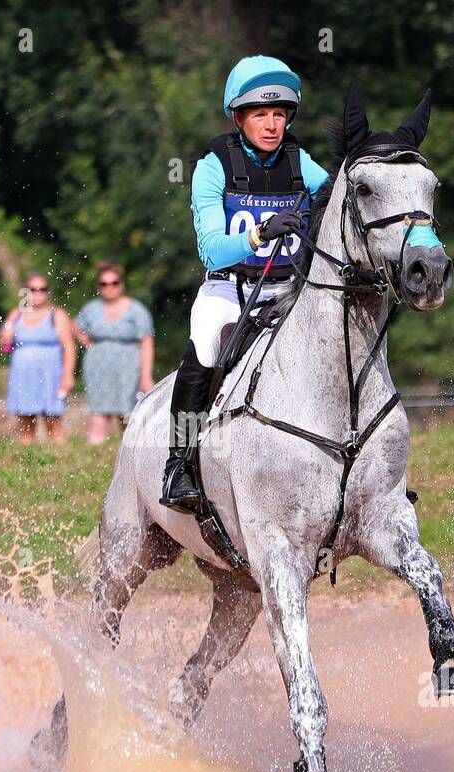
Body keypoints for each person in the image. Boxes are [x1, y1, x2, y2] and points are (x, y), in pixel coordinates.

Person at [160, 55, 330, 512]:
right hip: (229, 290)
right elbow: (213, 249)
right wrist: (259, 232)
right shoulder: (214, 166)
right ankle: (179, 464)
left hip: (291, 291)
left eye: (279, 114)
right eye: (260, 114)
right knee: (204, 349)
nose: (272, 125)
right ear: (238, 117)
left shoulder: (298, 159)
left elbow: (335, 194)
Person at [73, 261, 155, 443]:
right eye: (104, 284)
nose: (109, 288)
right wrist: (86, 342)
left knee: (128, 414)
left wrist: (146, 375)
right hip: (97, 366)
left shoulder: (136, 309)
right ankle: (93, 456)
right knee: (98, 412)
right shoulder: (91, 309)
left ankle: (129, 455)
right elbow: (76, 326)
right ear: (98, 286)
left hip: (128, 366)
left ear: (121, 284)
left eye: (114, 283)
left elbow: (147, 341)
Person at [0, 273, 75, 444]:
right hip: (23, 375)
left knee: (53, 421)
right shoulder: (16, 314)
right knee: (26, 424)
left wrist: (67, 375)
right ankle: (27, 462)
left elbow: (69, 347)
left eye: (42, 289)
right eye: (33, 289)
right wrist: (6, 338)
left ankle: (59, 461)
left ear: (48, 292)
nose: (38, 293)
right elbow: (4, 347)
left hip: (50, 375)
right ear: (26, 292)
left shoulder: (57, 315)